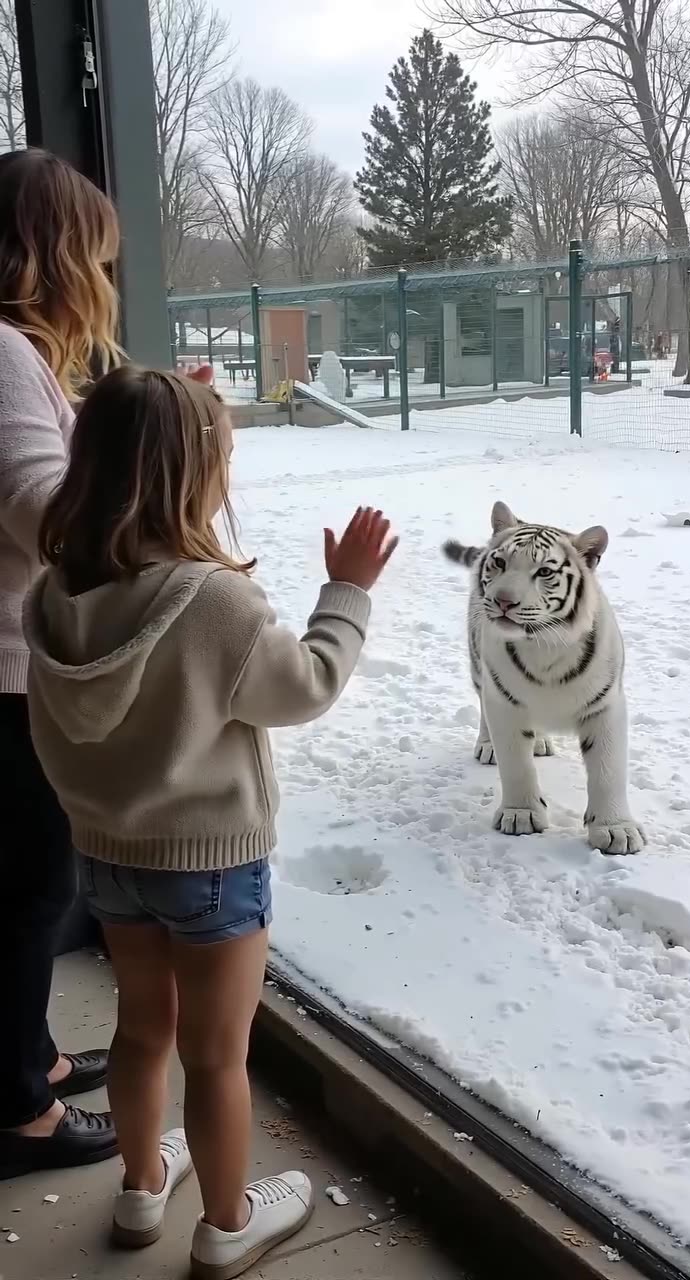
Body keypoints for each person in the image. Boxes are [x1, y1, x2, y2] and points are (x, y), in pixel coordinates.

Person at [23, 366, 397, 1278]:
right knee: (219, 1056)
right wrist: (345, 592)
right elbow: (303, 685)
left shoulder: (51, 593)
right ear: (194, 476)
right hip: (213, 868)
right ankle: (229, 1226)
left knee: (143, 1032)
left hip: (107, 860)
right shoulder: (214, 601)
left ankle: (144, 1186)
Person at [0, 147, 124, 1177]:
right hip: (3, 679)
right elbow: (43, 509)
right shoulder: (2, 351)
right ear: (48, 252)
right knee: (28, 889)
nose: (105, 281)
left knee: (25, 884)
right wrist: (152, 482)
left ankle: (28, 1052)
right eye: (96, 255)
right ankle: (15, 1112)